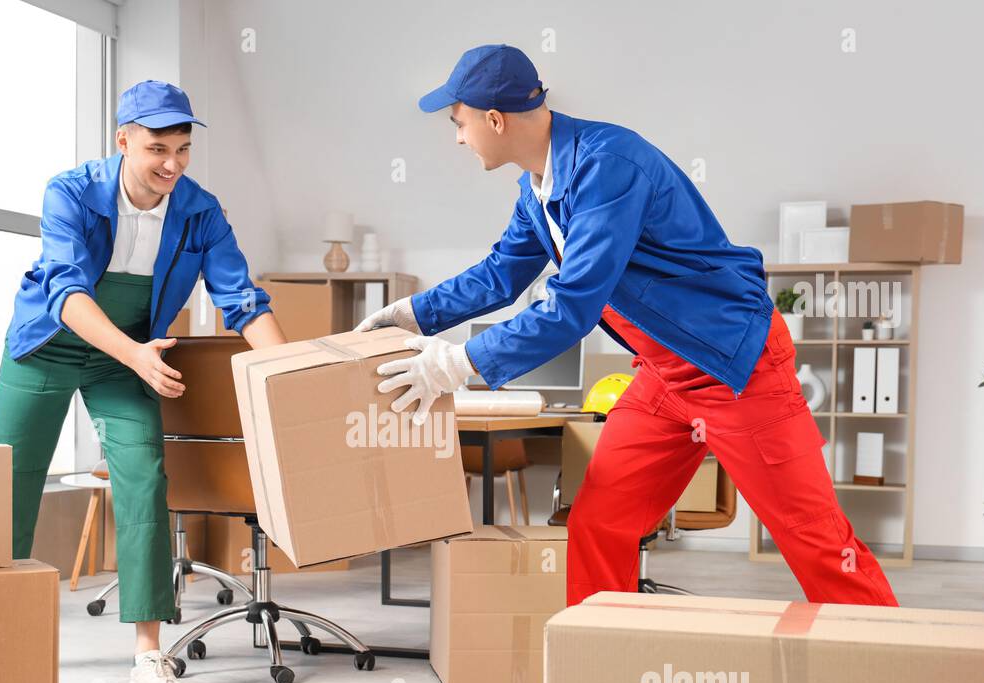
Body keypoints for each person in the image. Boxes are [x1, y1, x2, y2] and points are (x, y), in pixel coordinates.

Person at [360, 45, 897, 608]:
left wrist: (455, 365)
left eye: (459, 123)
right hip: (665, 378)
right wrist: (413, 314)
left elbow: (573, 306)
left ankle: (892, 672)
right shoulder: (536, 188)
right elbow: (501, 273)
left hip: (734, 365)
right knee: (600, 522)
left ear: (494, 120)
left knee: (814, 540)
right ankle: (598, 663)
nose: (458, 138)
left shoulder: (608, 165)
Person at [0, 80, 288, 683]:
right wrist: (135, 358)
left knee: (144, 480)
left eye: (182, 149)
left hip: (131, 352)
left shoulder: (200, 210)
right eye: (157, 149)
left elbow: (242, 300)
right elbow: (67, 292)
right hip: (53, 340)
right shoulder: (69, 191)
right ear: (122, 139)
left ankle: (148, 656)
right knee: (8, 485)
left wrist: (289, 374)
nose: (172, 165)